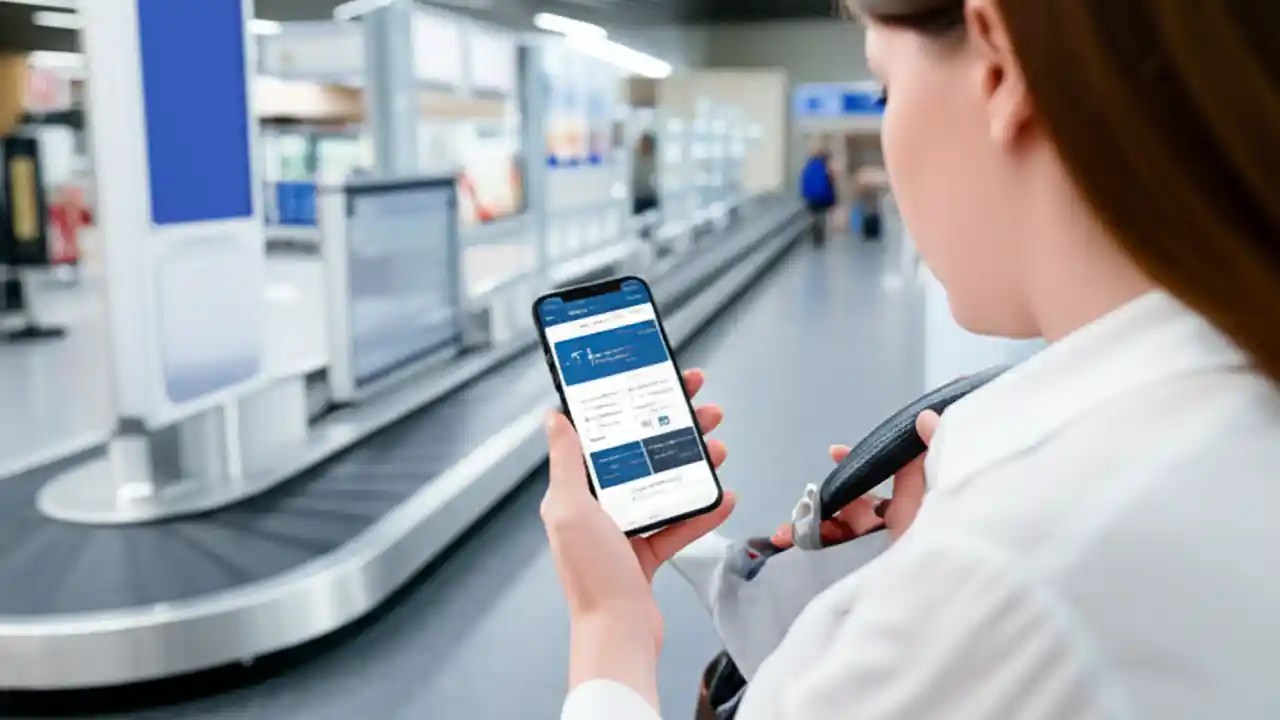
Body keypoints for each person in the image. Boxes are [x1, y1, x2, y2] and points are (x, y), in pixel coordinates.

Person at [544, 0, 1280, 718]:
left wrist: (610, 627)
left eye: (884, 88)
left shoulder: (1001, 581)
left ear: (1000, 67)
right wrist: (901, 569)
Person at [798, 145, 837, 243]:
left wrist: (804, 195)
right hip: (822, 198)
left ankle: (815, 233)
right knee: (821, 216)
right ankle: (819, 236)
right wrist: (833, 199)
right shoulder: (824, 168)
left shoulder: (807, 167)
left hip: (810, 198)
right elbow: (829, 184)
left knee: (814, 215)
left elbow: (804, 183)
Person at [632, 132, 660, 216]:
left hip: (650, 197)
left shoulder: (654, 159)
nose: (645, 145)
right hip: (639, 197)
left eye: (647, 142)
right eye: (643, 142)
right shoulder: (636, 157)